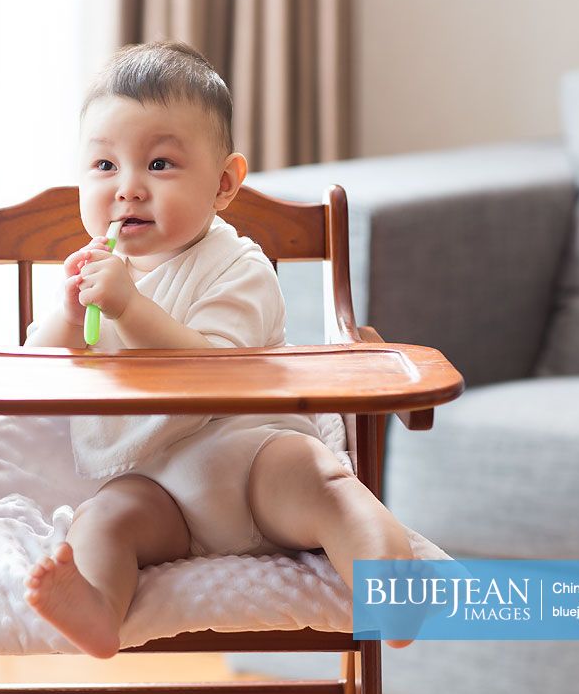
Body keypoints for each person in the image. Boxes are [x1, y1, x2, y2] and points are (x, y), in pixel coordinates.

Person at [21, 41, 414, 658]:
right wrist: (68, 321)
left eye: (159, 164)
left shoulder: (238, 265)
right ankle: (97, 609)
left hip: (253, 457)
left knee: (326, 485)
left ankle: (390, 583)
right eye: (104, 167)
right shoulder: (97, 280)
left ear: (225, 182)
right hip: (154, 484)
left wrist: (130, 307)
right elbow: (32, 374)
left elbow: (216, 369)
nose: (128, 190)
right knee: (102, 520)